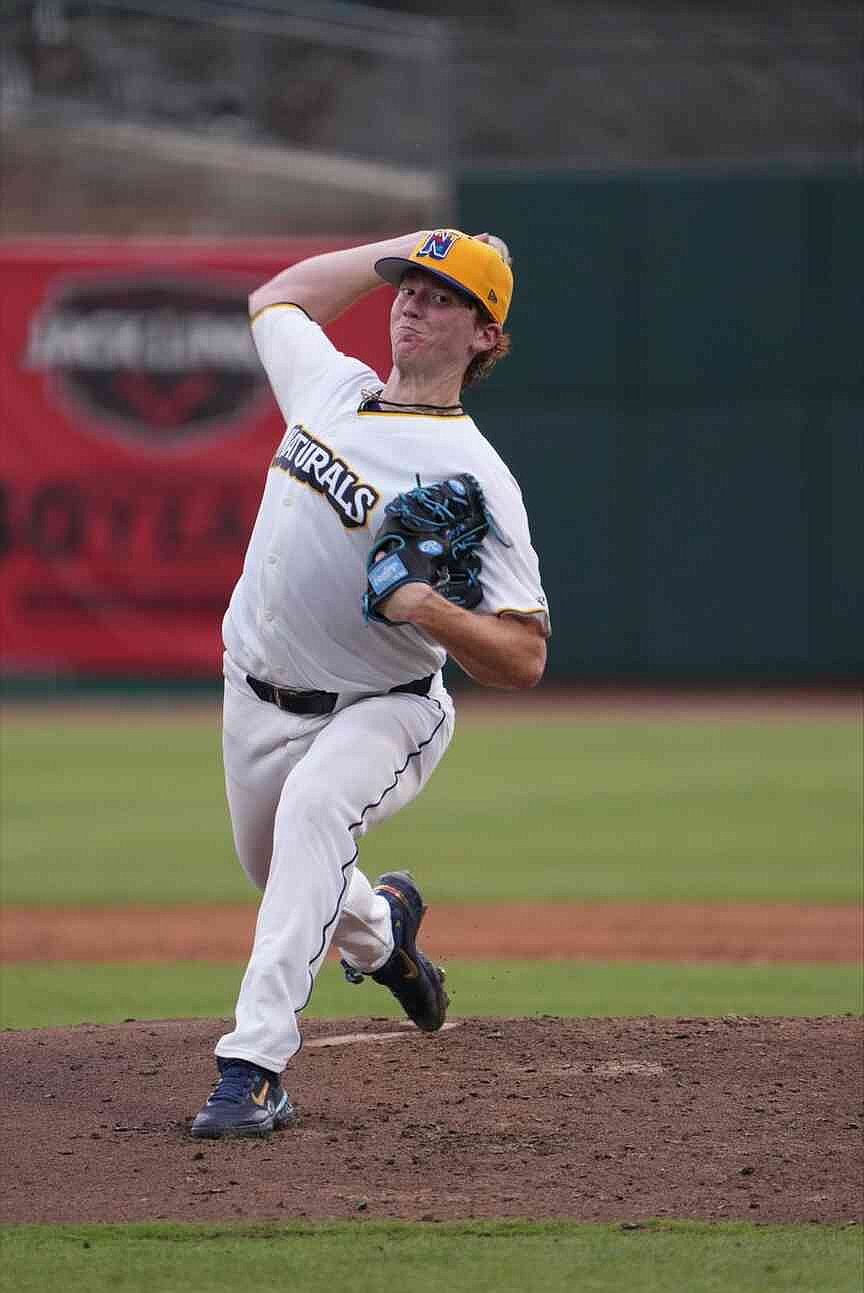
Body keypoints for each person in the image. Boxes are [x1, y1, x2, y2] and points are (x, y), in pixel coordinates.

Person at [190, 228, 550, 1138]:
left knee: (315, 814)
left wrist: (427, 607)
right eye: (408, 288)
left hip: (382, 709)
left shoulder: (478, 475)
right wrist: (413, 241)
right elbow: (278, 295)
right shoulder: (332, 387)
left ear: (484, 336)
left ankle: (254, 1064)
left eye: (441, 296)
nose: (411, 302)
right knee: (282, 876)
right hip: (254, 694)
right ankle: (386, 932)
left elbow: (524, 656)